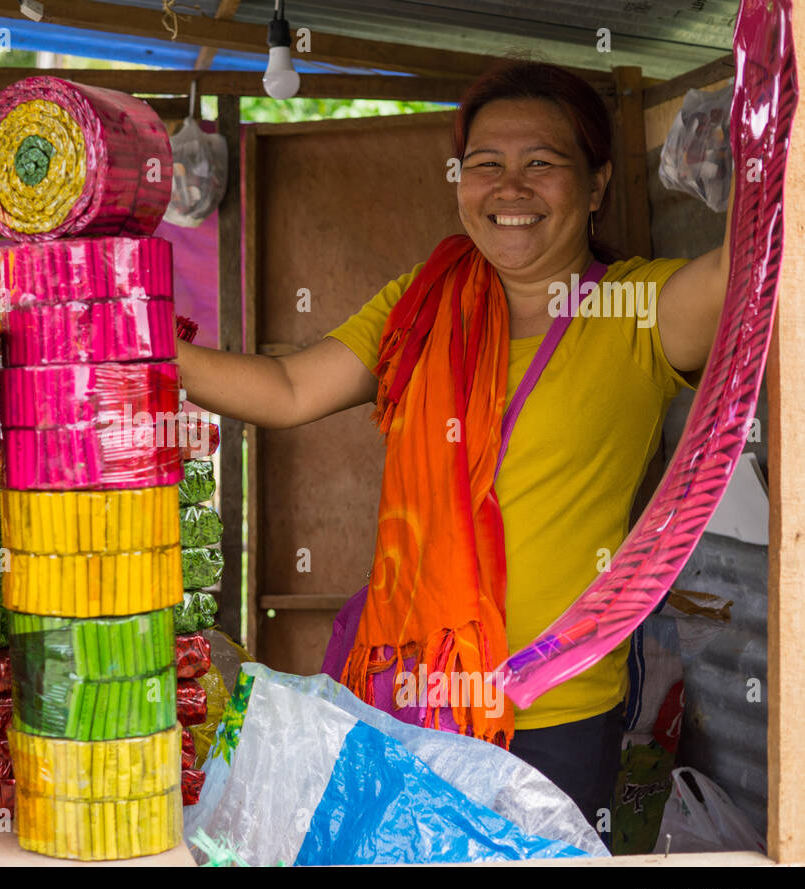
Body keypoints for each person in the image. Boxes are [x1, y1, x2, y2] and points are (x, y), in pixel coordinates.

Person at [174, 60, 732, 825]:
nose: (511, 187)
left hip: (552, 711)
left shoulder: (642, 309)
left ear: (598, 184)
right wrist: (140, 343)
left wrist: (747, 155)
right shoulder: (424, 301)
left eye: (542, 163)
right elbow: (286, 389)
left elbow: (754, 270)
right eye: (485, 165)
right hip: (408, 696)